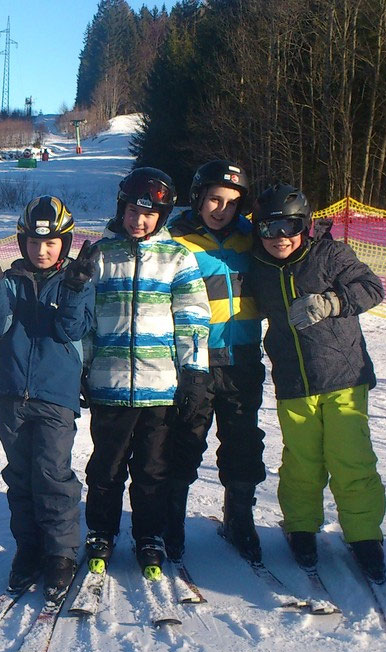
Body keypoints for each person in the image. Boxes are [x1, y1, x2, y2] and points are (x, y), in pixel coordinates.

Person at [247, 184, 386, 581]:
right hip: (293, 380)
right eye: (268, 228)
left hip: (343, 376)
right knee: (302, 463)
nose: (279, 238)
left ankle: (364, 537)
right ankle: (301, 528)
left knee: (351, 460)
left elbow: (371, 287)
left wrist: (332, 302)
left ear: (305, 224)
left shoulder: (330, 253)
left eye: (289, 226)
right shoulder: (257, 264)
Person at [0, 196, 95, 599]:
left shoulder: (78, 280)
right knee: (20, 477)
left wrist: (73, 287)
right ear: (22, 243)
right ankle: (29, 549)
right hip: (10, 392)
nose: (42, 250)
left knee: (52, 474)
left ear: (65, 244)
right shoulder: (14, 279)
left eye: (52, 243)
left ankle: (60, 554)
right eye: (35, 243)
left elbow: (71, 330)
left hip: (55, 396)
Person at [81, 168, 210, 577]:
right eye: (134, 211)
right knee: (106, 467)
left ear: (163, 217)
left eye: (150, 214)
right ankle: (101, 531)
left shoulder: (177, 258)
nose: (140, 220)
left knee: (153, 470)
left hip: (160, 387)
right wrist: (81, 368)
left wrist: (194, 372)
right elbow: (85, 320)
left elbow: (192, 318)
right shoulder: (100, 254)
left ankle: (149, 535)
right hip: (110, 385)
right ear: (121, 208)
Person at [166, 161, 266, 562]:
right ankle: (170, 520)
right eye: (213, 199)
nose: (221, 209)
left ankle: (238, 518)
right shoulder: (175, 237)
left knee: (243, 441)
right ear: (197, 197)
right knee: (185, 438)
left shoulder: (252, 237)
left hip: (242, 357)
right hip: (194, 359)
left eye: (231, 202)